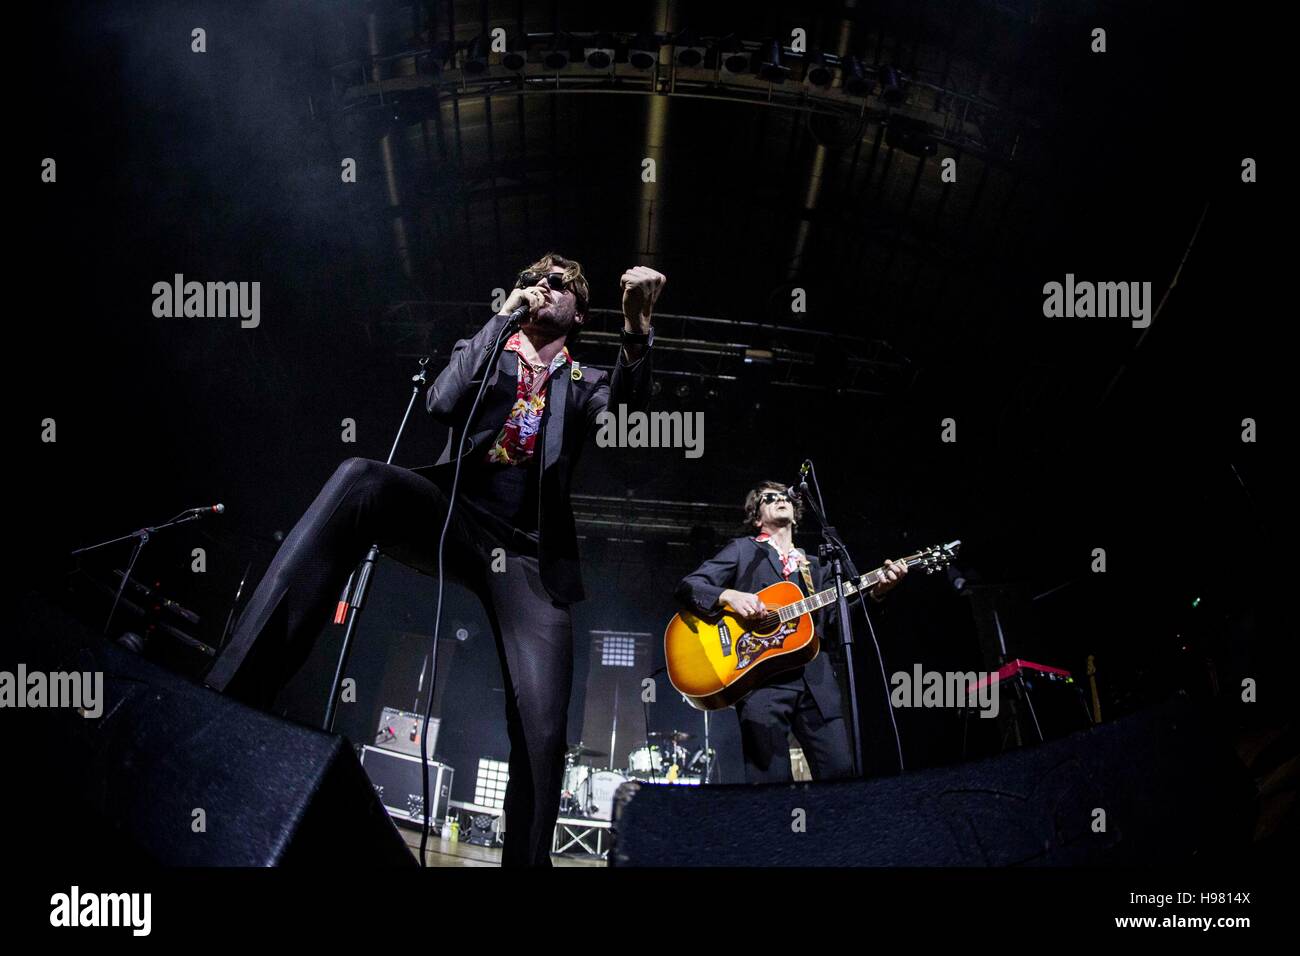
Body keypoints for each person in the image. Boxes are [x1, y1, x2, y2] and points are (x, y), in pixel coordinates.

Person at [205, 252, 665, 865]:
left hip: (527, 554)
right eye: (534, 280)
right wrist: (502, 317)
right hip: (452, 515)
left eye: (558, 286)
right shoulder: (486, 343)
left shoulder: (583, 384)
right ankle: (227, 699)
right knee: (361, 480)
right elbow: (443, 403)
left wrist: (636, 329)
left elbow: (631, 414)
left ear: (579, 312)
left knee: (543, 731)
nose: (541, 288)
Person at [675, 480, 906, 782]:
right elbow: (689, 586)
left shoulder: (816, 566)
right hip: (761, 684)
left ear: (796, 514)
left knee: (841, 776)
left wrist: (877, 594)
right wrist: (728, 595)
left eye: (785, 496)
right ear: (757, 517)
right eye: (769, 498)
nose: (780, 499)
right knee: (769, 785)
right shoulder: (743, 551)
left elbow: (835, 623)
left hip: (816, 684)